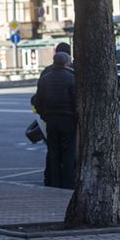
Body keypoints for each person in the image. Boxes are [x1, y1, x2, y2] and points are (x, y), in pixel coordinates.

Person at [34, 52, 76, 189]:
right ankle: (68, 182)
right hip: (68, 120)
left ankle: (55, 182)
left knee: (53, 151)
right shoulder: (71, 78)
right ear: (67, 63)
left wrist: (44, 115)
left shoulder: (45, 79)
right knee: (68, 151)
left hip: (51, 120)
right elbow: (76, 101)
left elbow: (38, 102)